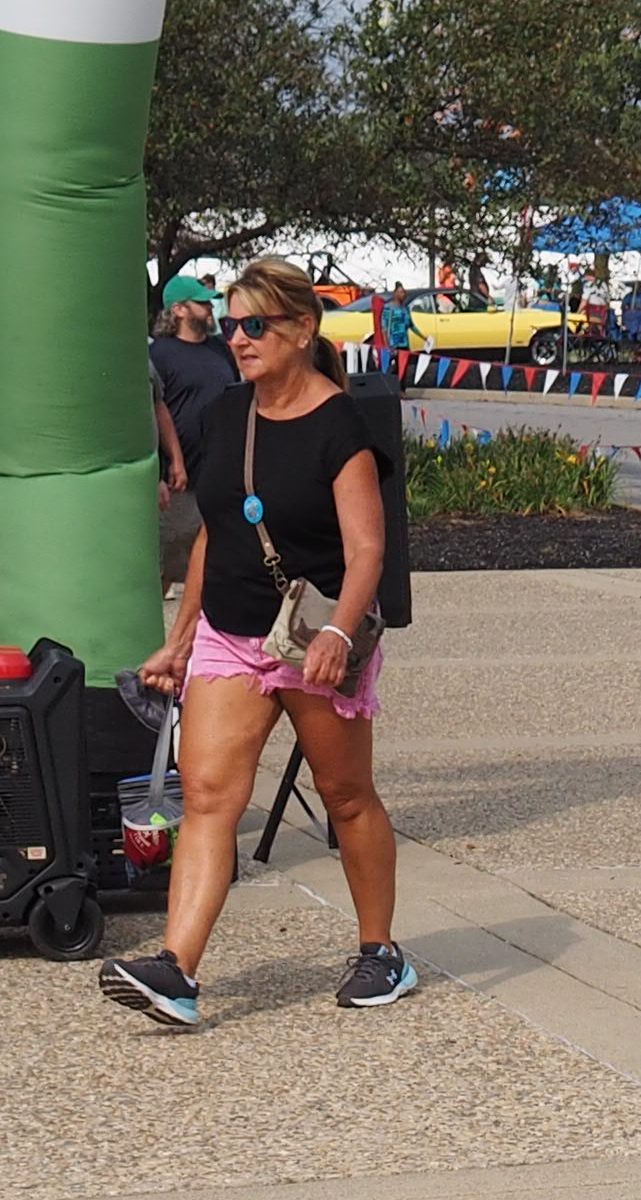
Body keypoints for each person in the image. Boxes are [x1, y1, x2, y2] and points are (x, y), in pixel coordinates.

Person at [103, 258, 419, 1028]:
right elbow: (216, 532)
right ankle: (177, 969)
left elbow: (367, 548)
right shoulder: (226, 413)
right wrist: (181, 638)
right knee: (208, 798)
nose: (237, 339)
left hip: (313, 638)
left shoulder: (339, 425)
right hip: (231, 635)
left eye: (253, 325)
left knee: (346, 797)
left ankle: (381, 951)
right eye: (230, 325)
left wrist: (340, 632)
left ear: (302, 329)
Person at [148, 271, 236, 589]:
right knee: (165, 565)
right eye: (202, 304)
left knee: (215, 566)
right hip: (180, 483)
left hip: (221, 473)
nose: (210, 309)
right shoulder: (159, 354)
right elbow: (155, 411)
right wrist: (168, 465)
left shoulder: (221, 349)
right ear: (179, 310)